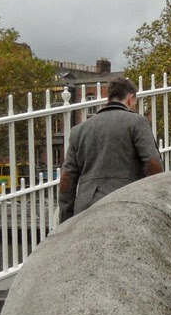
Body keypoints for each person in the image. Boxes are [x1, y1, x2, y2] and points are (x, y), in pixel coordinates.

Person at [58, 77, 164, 222]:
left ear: (109, 98)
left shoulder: (79, 130)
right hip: (125, 205)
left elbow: (67, 177)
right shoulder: (137, 122)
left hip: (85, 210)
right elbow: (152, 162)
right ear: (130, 99)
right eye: (135, 103)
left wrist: (66, 219)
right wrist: (156, 200)